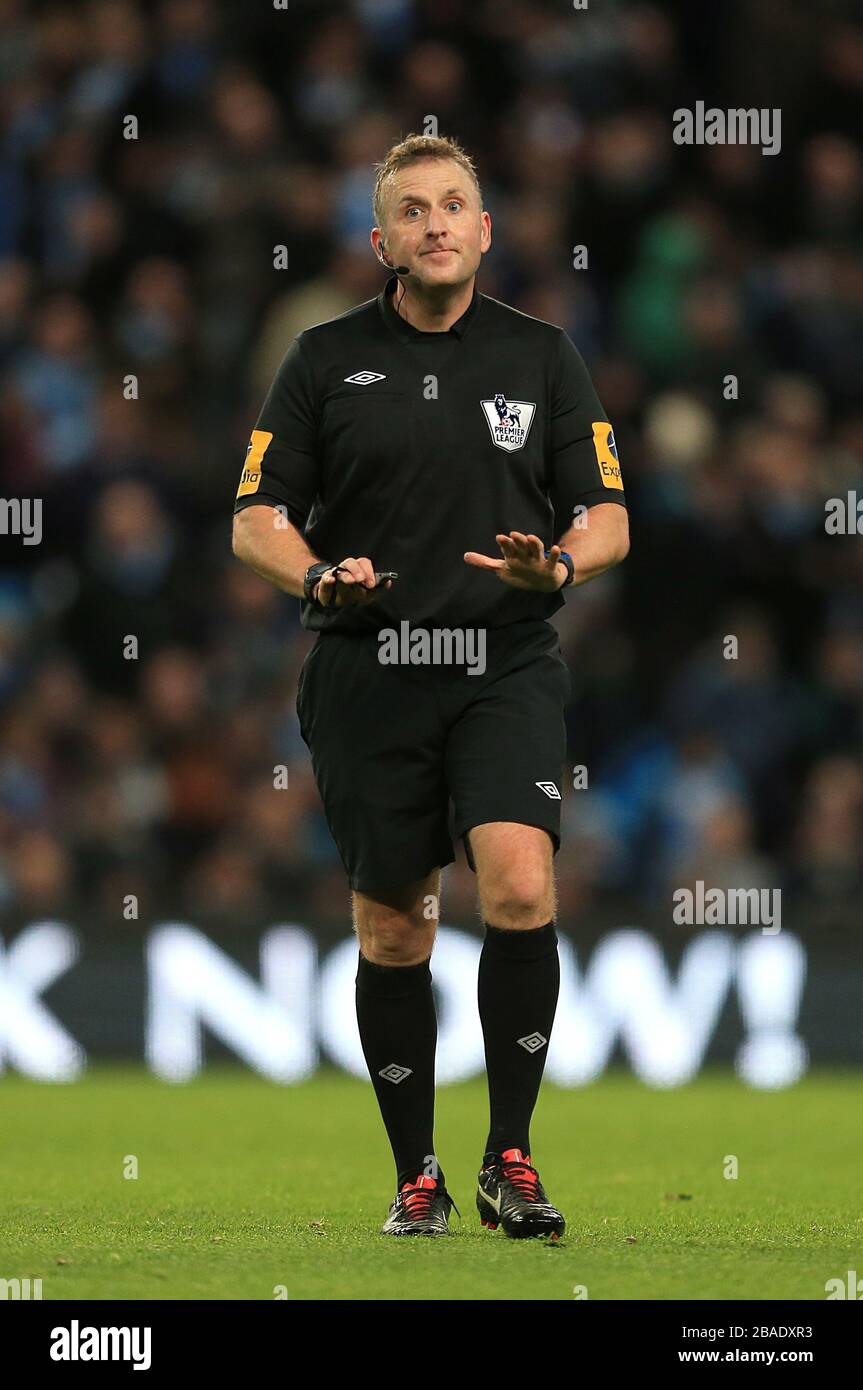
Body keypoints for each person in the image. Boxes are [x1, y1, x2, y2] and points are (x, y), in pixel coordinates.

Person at [232, 134, 629, 1239]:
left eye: (456, 204)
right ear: (382, 241)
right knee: (396, 930)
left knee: (514, 882)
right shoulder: (321, 358)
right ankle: (418, 1174)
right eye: (413, 210)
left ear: (486, 229)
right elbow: (253, 516)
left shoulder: (542, 355)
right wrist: (316, 571)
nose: (437, 223)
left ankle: (511, 1154)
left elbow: (606, 513)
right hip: (370, 671)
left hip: (502, 661)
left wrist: (552, 563)